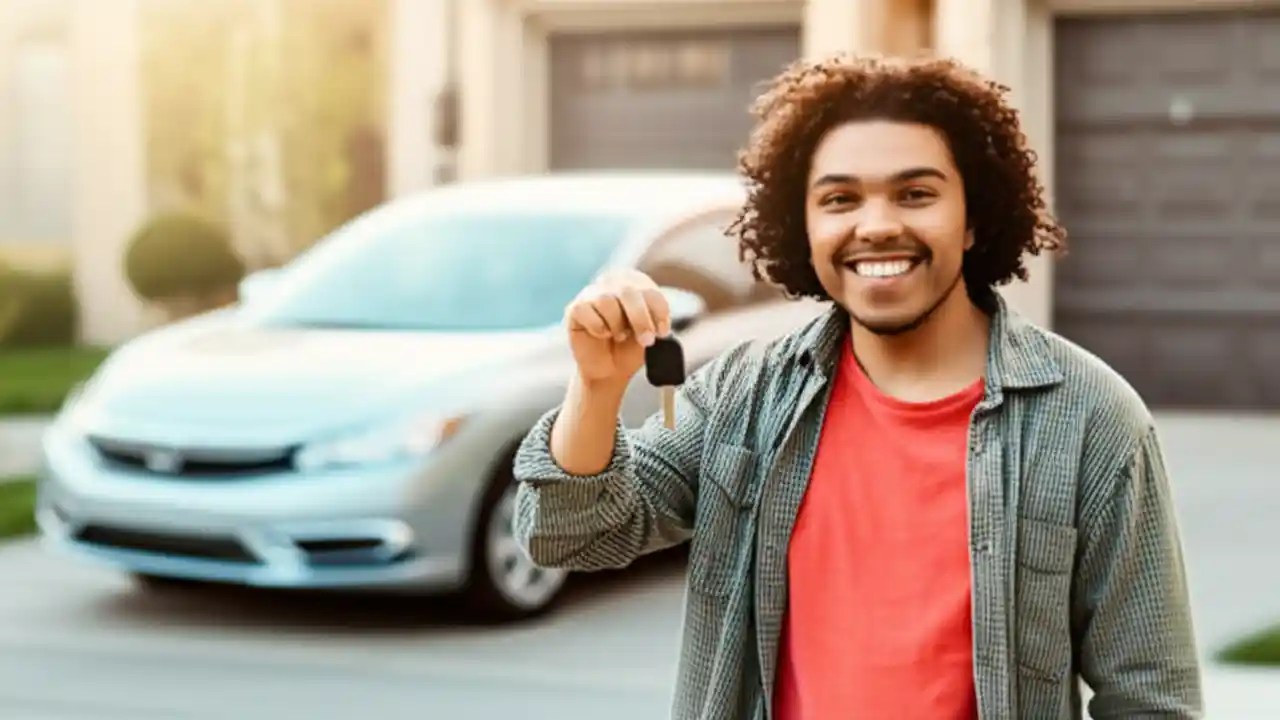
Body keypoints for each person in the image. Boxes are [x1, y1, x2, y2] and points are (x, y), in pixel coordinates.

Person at [511, 53, 1202, 720]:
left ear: (975, 219)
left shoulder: (1091, 420)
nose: (876, 226)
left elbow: (1150, 700)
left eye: (916, 193)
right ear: (803, 225)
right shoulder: (744, 395)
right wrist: (596, 390)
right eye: (840, 199)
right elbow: (570, 535)